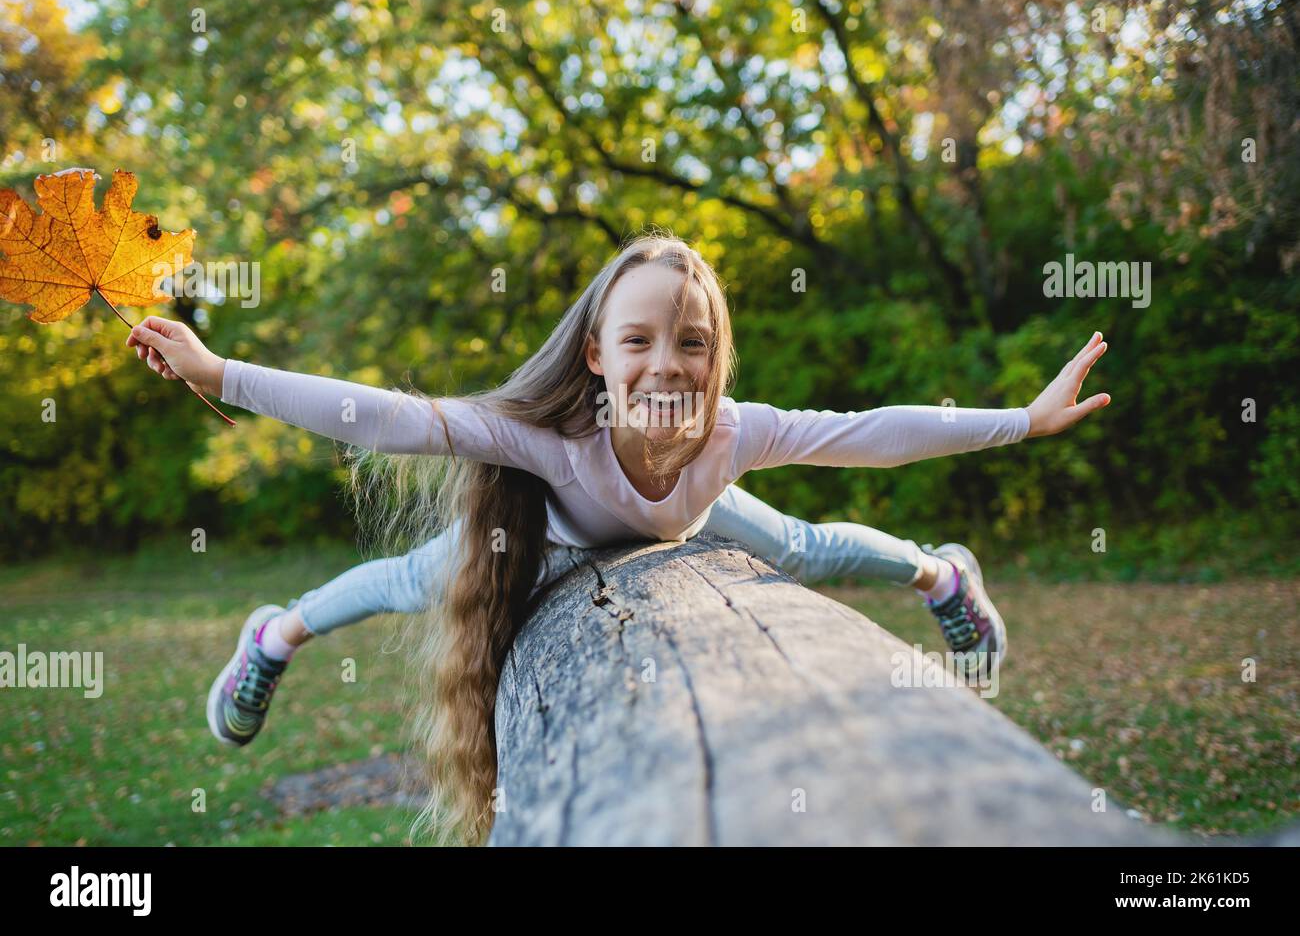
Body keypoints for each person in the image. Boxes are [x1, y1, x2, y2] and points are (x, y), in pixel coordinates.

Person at [127, 232, 1109, 844]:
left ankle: (943, 575)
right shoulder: (550, 437)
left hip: (683, 517)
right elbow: (386, 415)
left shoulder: (734, 430)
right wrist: (224, 375)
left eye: (692, 341)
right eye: (638, 340)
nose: (666, 361)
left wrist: (1019, 419)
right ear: (597, 355)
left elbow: (872, 432)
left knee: (805, 546)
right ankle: (272, 638)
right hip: (551, 542)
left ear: (719, 355)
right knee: (411, 579)